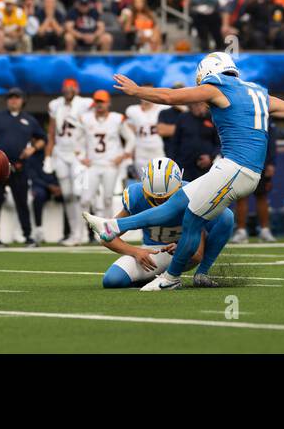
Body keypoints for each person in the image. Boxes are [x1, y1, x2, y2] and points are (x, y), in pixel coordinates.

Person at [86, 51, 284, 291]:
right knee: (179, 202)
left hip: (236, 168)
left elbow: (170, 96)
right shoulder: (256, 91)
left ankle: (169, 278)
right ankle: (114, 228)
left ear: (208, 72)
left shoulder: (218, 87)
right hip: (237, 168)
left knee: (191, 217)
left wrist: (138, 91)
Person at [101, 158, 233, 289]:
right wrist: (136, 251)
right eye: (156, 199)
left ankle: (202, 273)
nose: (162, 203)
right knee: (112, 280)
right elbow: (107, 236)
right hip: (152, 253)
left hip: (184, 251)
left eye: (167, 198)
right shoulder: (136, 195)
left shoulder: (192, 194)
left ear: (179, 186)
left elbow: (197, 255)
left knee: (226, 217)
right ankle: (152, 277)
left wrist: (183, 247)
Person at [0, 86, 46, 247]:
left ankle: (28, 236)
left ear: (22, 100)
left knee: (22, 203)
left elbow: (42, 139)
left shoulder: (29, 120)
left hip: (19, 167)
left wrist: (33, 148)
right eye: (11, 97)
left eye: (17, 97)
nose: (13, 100)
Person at [45, 77, 91, 245]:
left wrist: (89, 154)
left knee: (81, 195)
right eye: (66, 88)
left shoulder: (85, 103)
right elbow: (51, 133)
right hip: (61, 153)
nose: (68, 91)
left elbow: (92, 127)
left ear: (76, 90)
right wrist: (47, 156)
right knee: (68, 195)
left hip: (79, 154)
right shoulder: (55, 105)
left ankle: (84, 232)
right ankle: (74, 233)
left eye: (71, 88)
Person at [79, 89, 133, 220]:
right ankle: (81, 234)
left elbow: (131, 138)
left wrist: (123, 155)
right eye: (97, 101)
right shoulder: (86, 119)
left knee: (108, 199)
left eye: (102, 101)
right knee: (85, 199)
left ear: (108, 103)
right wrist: (81, 156)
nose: (99, 104)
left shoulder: (116, 119)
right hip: (93, 164)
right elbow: (78, 139)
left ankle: (108, 231)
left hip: (110, 164)